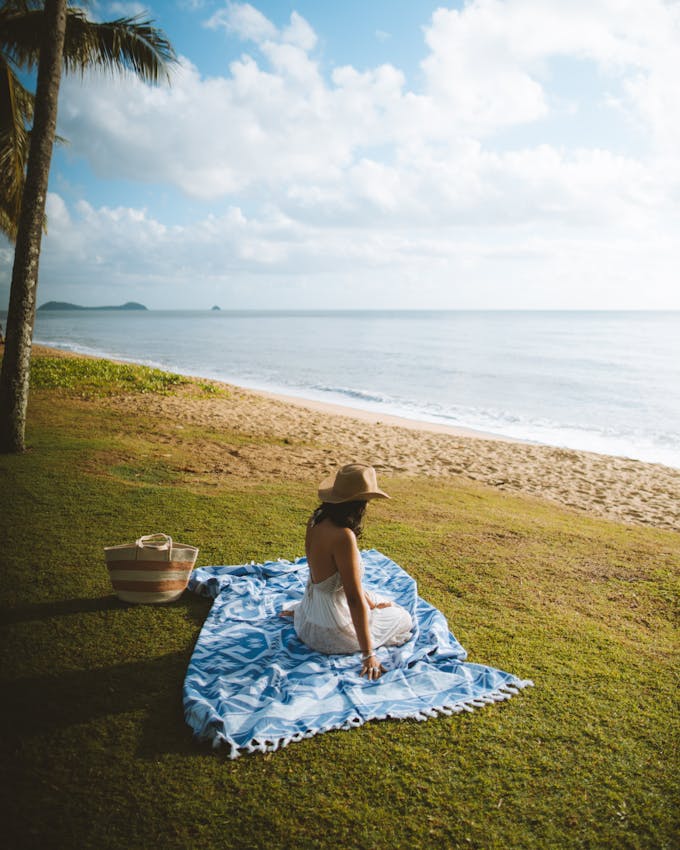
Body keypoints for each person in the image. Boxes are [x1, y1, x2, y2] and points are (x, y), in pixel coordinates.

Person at [281, 463, 413, 681]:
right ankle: (370, 620)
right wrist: (368, 654)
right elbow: (352, 598)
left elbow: (318, 572)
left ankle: (369, 606)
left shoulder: (316, 519)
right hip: (328, 632)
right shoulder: (343, 536)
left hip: (307, 621)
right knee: (402, 617)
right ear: (360, 503)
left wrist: (303, 608)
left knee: (373, 599)